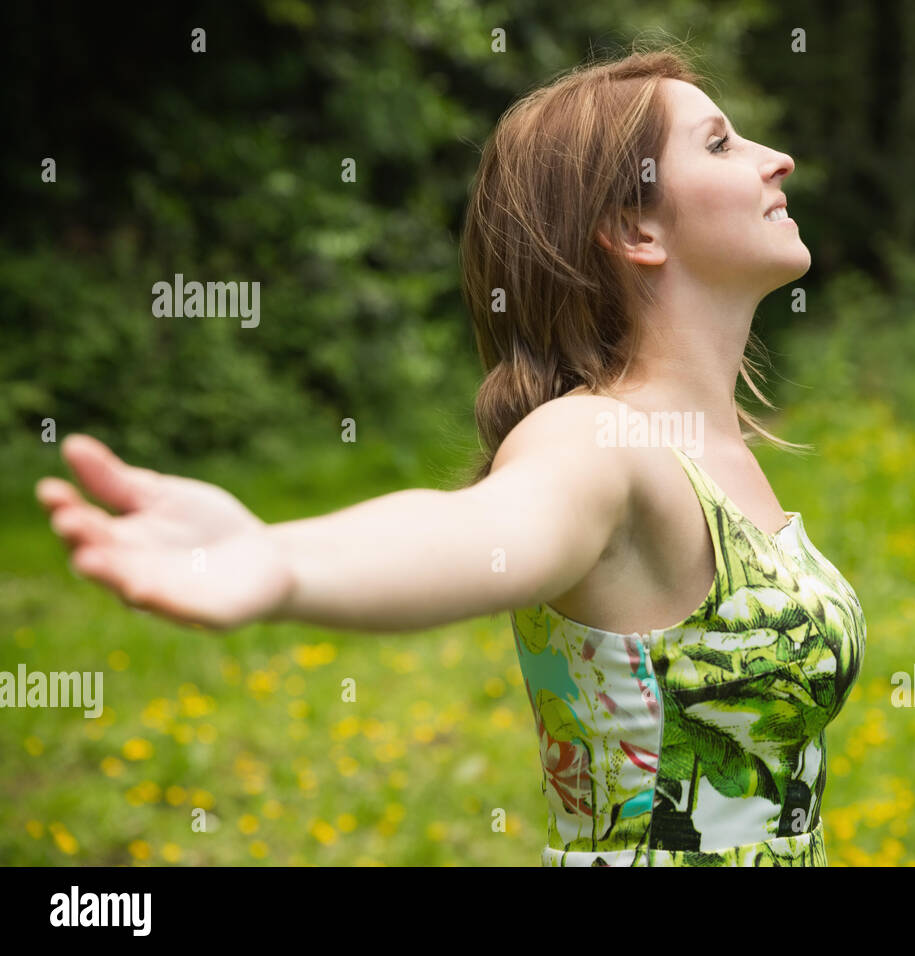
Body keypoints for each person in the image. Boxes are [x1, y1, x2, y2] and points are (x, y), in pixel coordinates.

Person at [35, 44, 866, 866]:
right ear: (632, 226)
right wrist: (278, 561)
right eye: (720, 144)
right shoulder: (597, 439)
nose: (778, 160)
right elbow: (482, 531)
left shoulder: (713, 449)